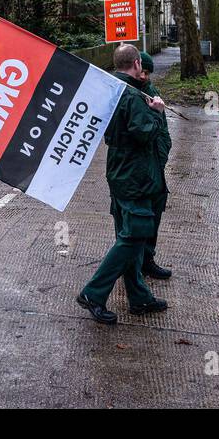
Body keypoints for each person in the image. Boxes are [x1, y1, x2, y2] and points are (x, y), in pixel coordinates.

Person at [77, 43, 169, 323]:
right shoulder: (131, 94)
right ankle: (93, 292)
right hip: (135, 174)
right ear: (137, 65)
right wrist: (157, 112)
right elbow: (145, 133)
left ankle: (138, 296)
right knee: (135, 234)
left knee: (128, 233)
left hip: (119, 169)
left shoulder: (110, 88)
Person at [134, 50, 172, 280]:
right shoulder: (130, 95)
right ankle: (134, 263)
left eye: (148, 72)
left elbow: (163, 130)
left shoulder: (151, 92)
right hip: (140, 169)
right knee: (138, 220)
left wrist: (163, 155)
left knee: (154, 214)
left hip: (156, 165)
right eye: (142, 71)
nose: (145, 76)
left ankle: (148, 259)